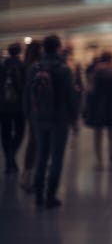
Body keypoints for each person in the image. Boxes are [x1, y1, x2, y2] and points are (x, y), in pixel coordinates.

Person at [23, 35, 79, 209]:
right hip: (59, 120)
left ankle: (38, 195)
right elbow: (71, 97)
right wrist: (74, 119)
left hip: (39, 118)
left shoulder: (35, 67)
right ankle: (50, 196)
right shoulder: (63, 69)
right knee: (56, 158)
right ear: (58, 48)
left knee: (41, 155)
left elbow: (27, 95)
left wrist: (30, 116)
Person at [85, 52, 112, 169]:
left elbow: (90, 90)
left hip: (98, 106)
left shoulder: (95, 72)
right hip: (111, 106)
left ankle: (99, 160)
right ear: (111, 59)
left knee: (98, 135)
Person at [19, 40, 42, 192]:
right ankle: (30, 178)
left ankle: (27, 176)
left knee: (32, 143)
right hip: (38, 110)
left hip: (27, 110)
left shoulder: (23, 67)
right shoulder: (37, 67)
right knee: (37, 143)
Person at [1, 43, 26, 174]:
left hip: (3, 107)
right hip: (19, 107)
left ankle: (9, 161)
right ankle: (11, 158)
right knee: (19, 133)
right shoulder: (22, 66)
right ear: (19, 52)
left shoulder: (2, 66)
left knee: (5, 135)